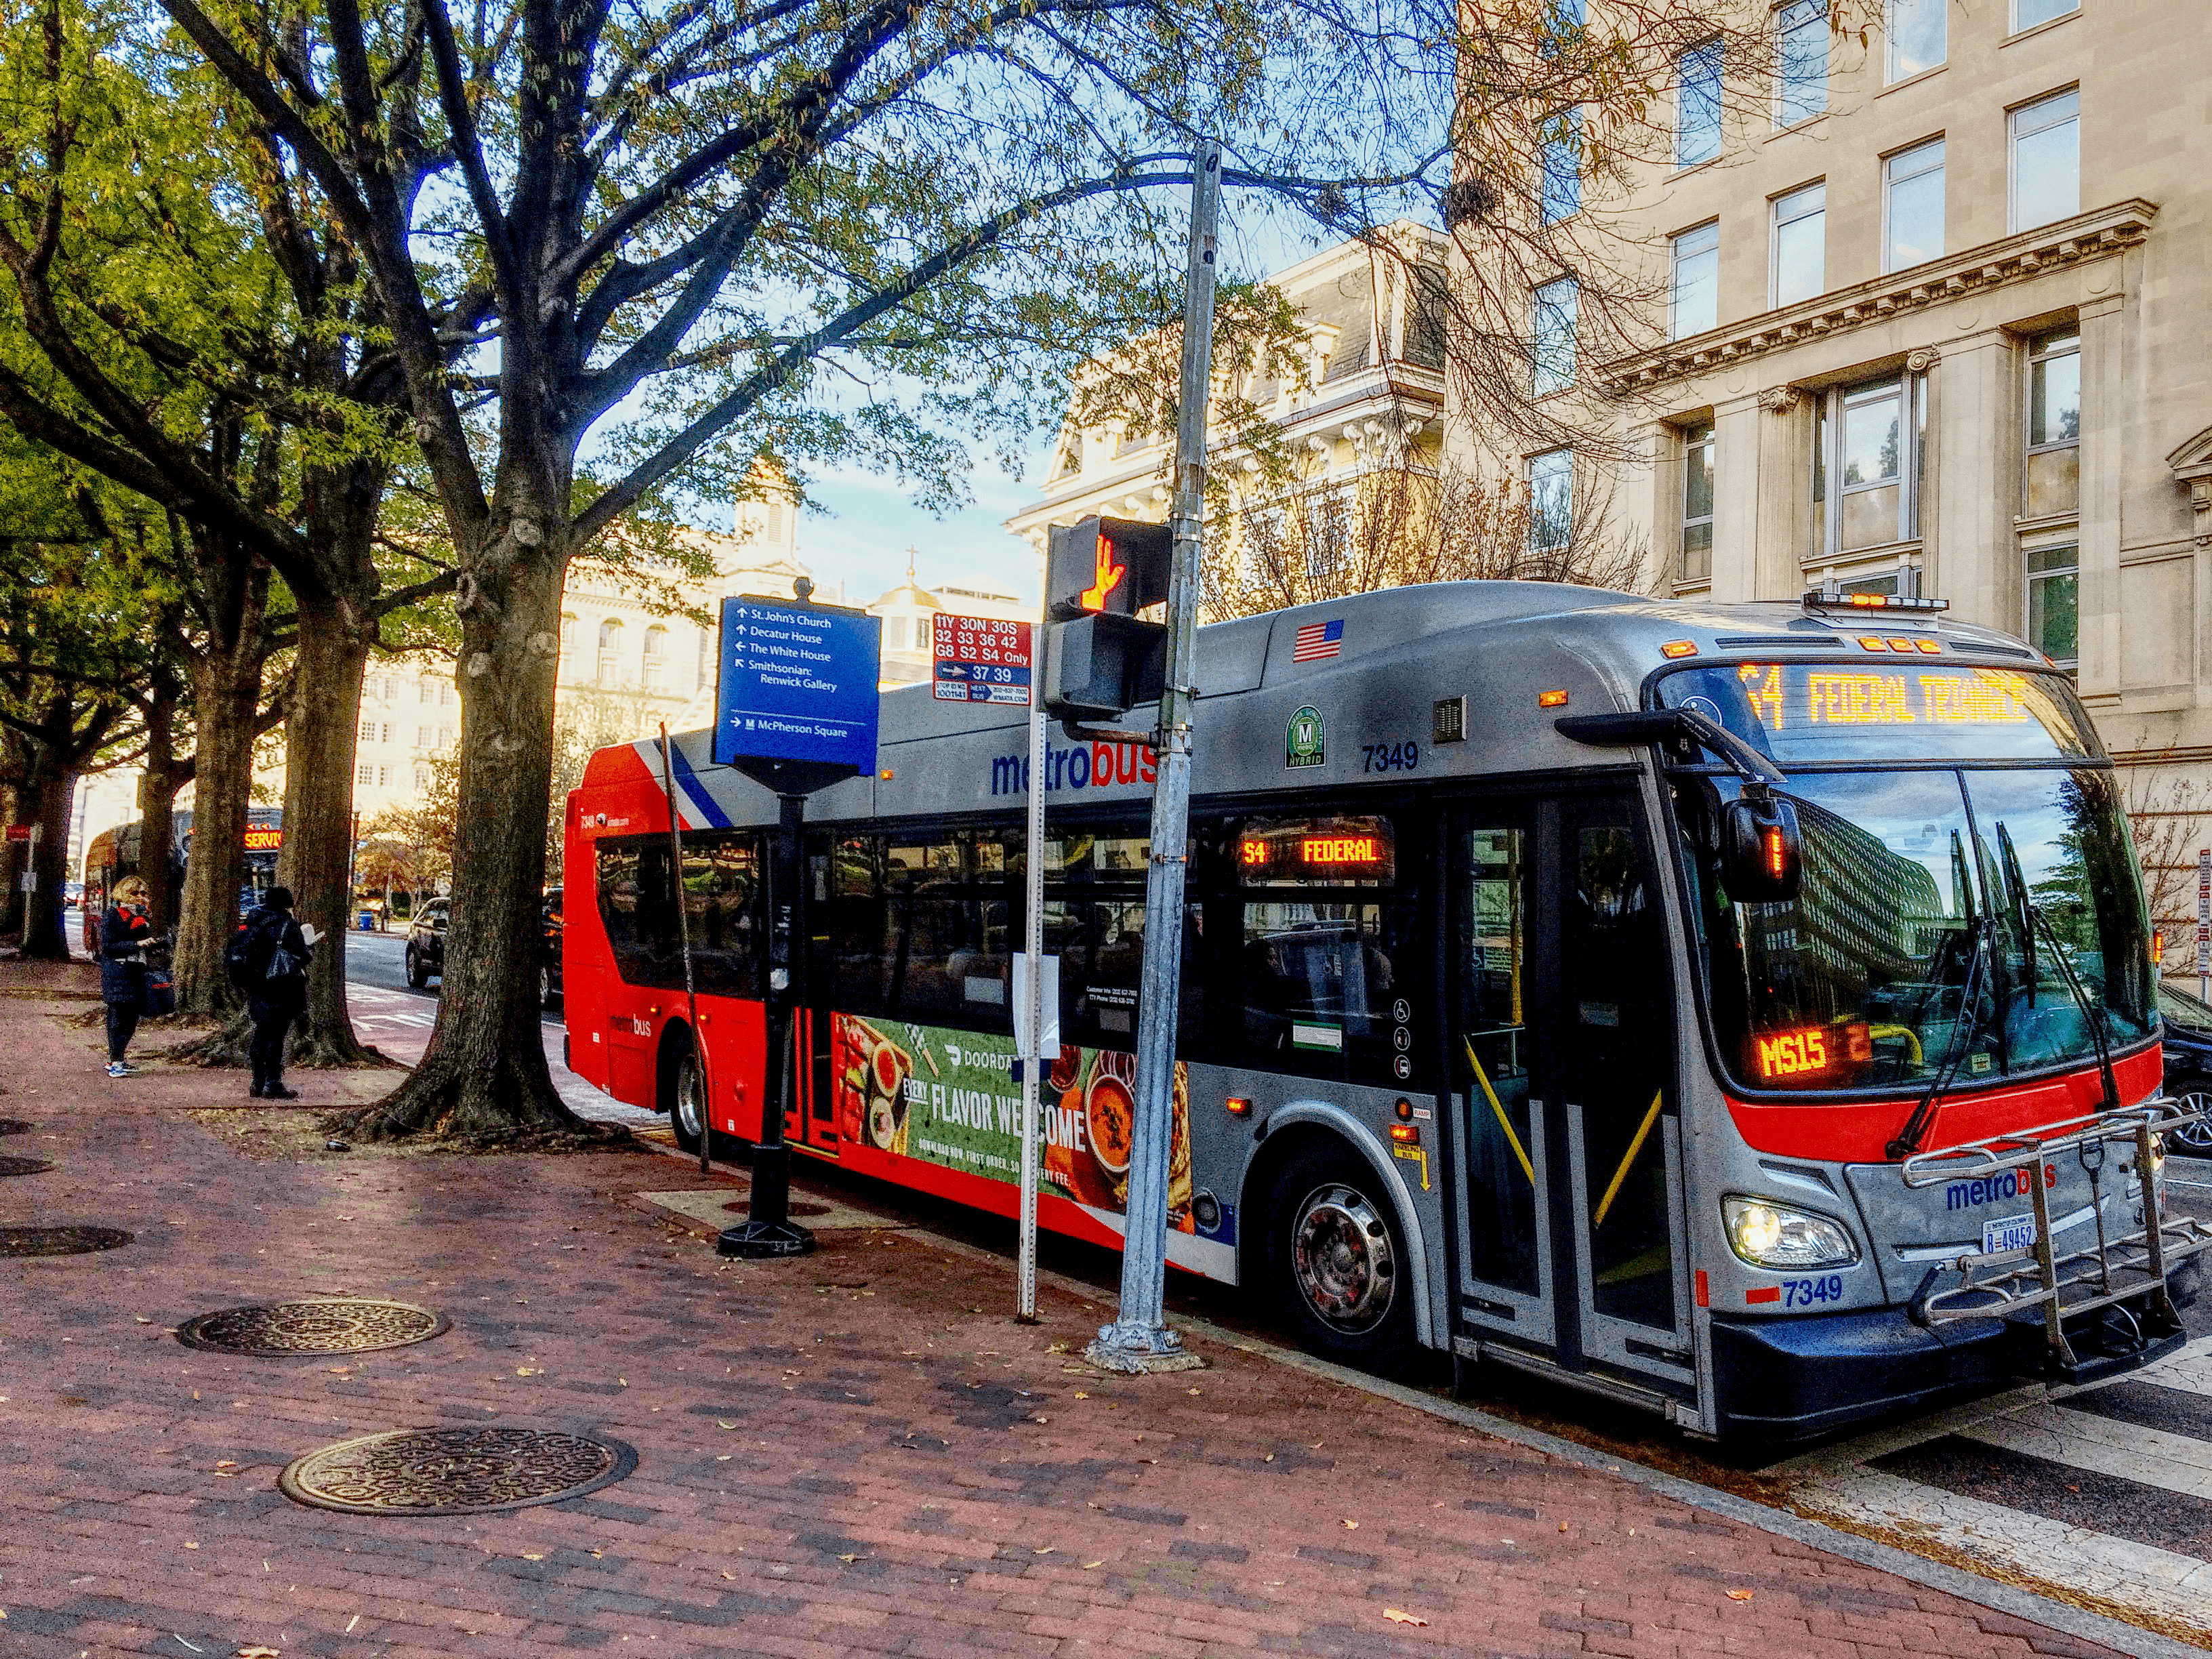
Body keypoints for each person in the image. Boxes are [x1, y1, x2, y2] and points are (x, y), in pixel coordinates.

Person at [242, 886, 313, 1099]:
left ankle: (257, 1081)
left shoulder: (253, 922)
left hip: (255, 984)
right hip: (281, 986)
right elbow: (302, 955)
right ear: (287, 903)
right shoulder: (287, 926)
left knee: (261, 1031)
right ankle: (272, 1083)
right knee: (276, 1035)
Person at [96, 878, 154, 1078]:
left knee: (132, 1018)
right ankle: (116, 1061)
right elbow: (109, 947)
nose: (140, 898)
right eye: (135, 894)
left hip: (136, 972)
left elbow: (145, 944)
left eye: (143, 894)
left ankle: (118, 1059)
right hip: (118, 974)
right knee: (118, 1019)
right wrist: (137, 944)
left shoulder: (141, 917)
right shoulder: (112, 917)